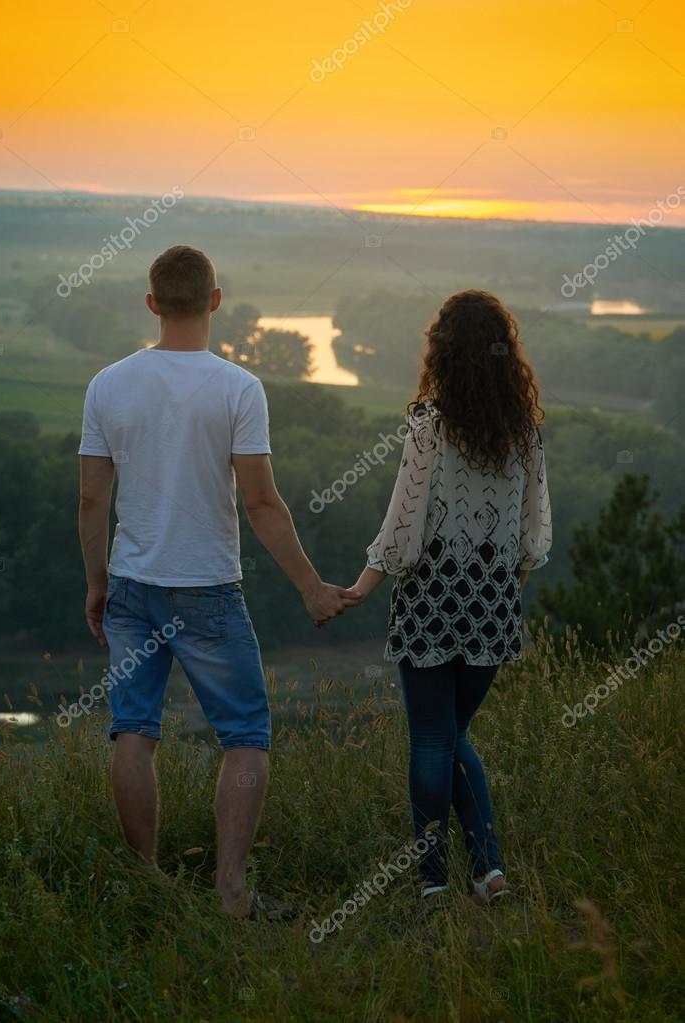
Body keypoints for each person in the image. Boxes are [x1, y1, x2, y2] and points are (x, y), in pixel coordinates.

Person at [77, 244, 359, 916]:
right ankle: (231, 890)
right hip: (206, 587)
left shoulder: (107, 384)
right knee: (245, 735)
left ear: (152, 304)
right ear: (215, 300)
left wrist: (97, 583)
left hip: (131, 585)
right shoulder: (237, 388)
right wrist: (312, 587)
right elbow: (261, 502)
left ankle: (147, 880)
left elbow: (91, 501)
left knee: (133, 731)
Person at [350, 290, 552, 906]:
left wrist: (363, 585)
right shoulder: (522, 431)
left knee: (434, 740)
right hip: (491, 601)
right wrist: (506, 589)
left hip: (432, 596)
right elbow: (532, 528)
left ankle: (433, 878)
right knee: (455, 735)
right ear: (504, 353)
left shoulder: (429, 425)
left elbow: (403, 519)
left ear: (442, 352)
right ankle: (489, 872)